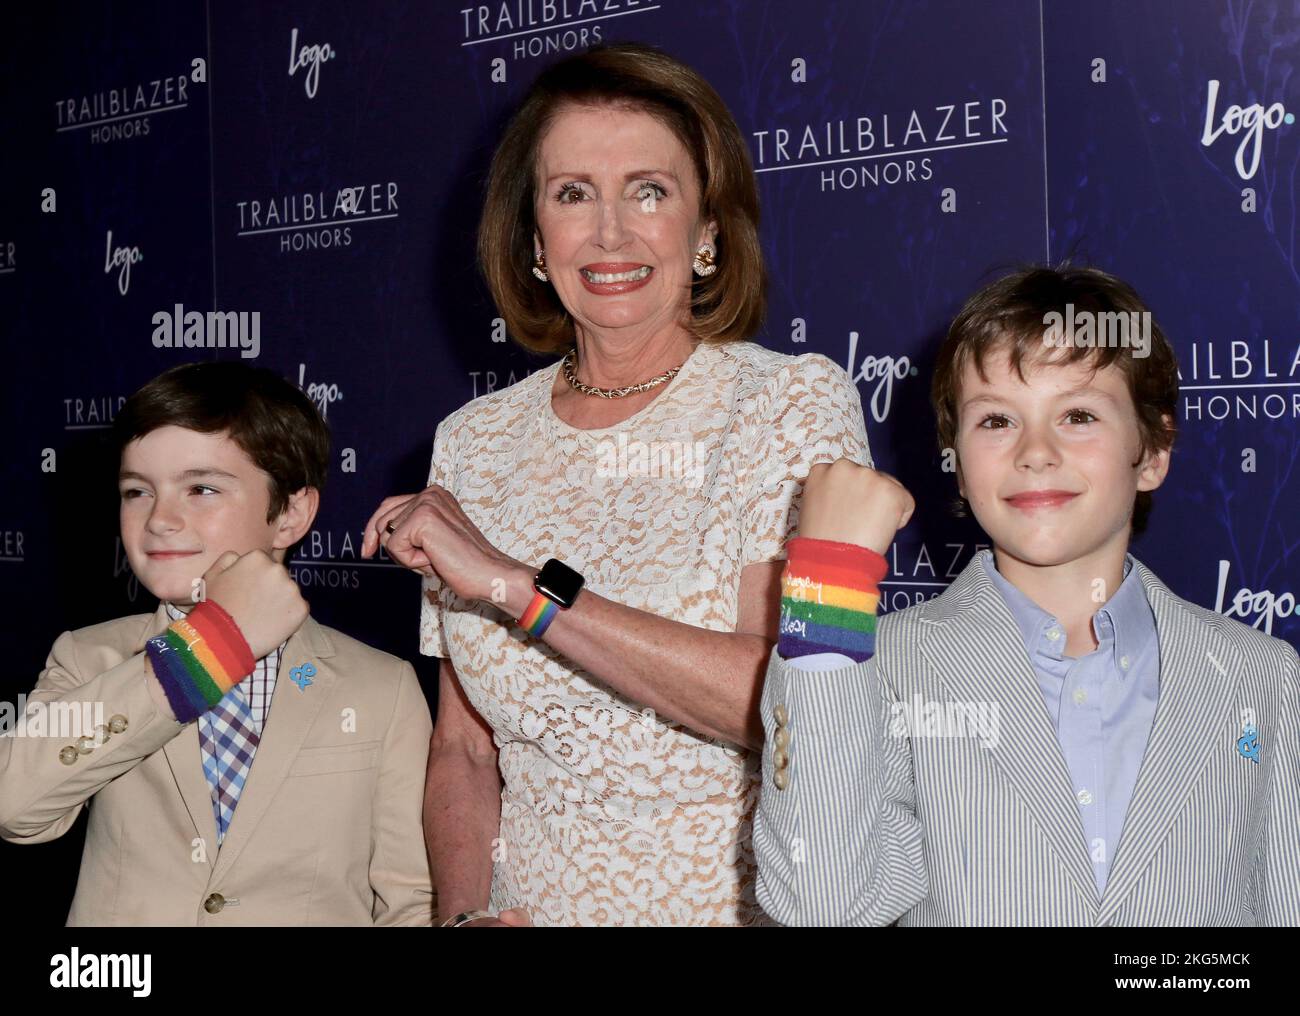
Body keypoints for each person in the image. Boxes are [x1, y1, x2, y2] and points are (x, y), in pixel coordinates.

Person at [360, 43, 871, 926]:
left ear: (707, 229)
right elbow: (464, 751)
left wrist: (521, 587)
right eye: (572, 194)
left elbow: (785, 705)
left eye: (648, 190)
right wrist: (463, 916)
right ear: (532, 239)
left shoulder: (787, 402)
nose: (609, 234)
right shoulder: (472, 444)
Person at [754, 265, 1300, 925]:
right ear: (954, 452)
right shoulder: (885, 666)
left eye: (1077, 414)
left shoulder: (1259, 675)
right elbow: (821, 902)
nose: (1035, 451)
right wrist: (826, 583)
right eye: (995, 421)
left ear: (1152, 450)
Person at [0, 362, 434, 925]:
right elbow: (17, 806)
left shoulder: (381, 687)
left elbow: (412, 901)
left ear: (293, 513)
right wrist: (209, 648)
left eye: (201, 488)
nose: (159, 519)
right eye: (137, 491)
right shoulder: (90, 657)